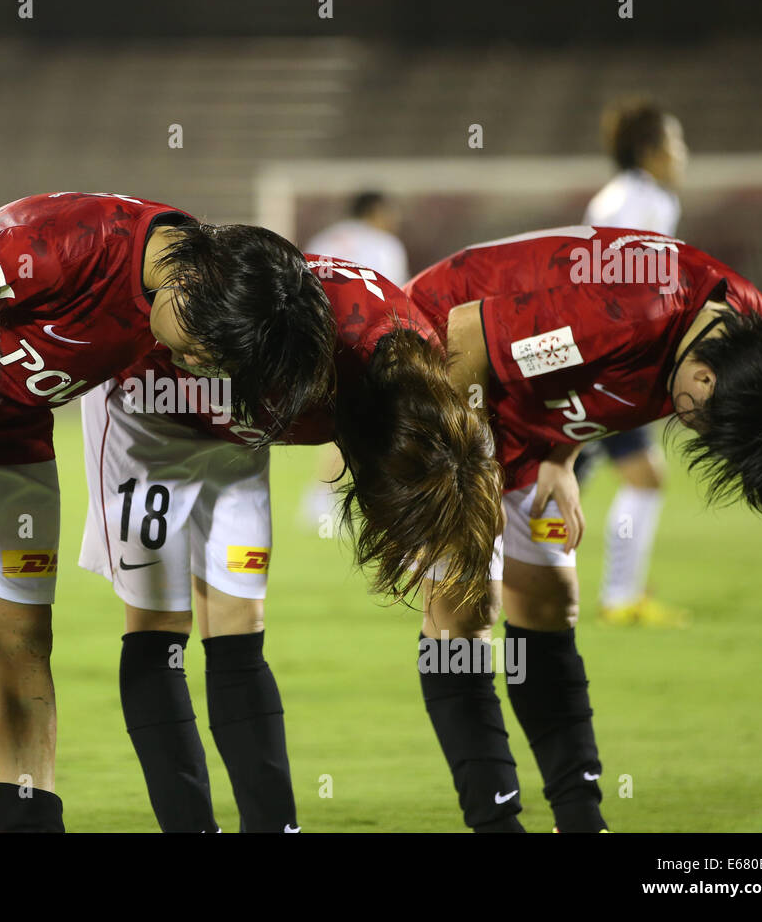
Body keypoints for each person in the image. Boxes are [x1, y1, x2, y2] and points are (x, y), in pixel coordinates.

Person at [0, 192, 338, 832]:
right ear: (189, 288)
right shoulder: (59, 246)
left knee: (23, 641)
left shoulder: (188, 284)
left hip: (16, 449)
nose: (196, 363)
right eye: (202, 346)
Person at [404, 225, 762, 833]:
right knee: (466, 606)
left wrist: (561, 455)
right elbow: (468, 334)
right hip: (438, 366)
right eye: (703, 423)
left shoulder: (752, 338)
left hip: (523, 413)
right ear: (704, 379)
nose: (700, 434)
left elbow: (602, 383)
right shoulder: (629, 313)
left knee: (550, 602)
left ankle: (580, 820)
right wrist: (467, 475)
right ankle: (494, 823)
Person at [78, 253, 500, 831]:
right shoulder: (316, 350)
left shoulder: (411, 391)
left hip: (240, 430)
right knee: (158, 626)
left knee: (239, 624)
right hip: (149, 410)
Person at [580, 98, 691, 626]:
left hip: (594, 354)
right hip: (609, 358)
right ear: (651, 151)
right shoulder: (644, 202)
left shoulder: (619, 198)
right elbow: (624, 286)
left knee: (557, 476)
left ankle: (477, 572)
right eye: (676, 143)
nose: (682, 155)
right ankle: (620, 597)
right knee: (641, 478)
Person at [301, 192, 410, 527]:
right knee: (359, 416)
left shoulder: (326, 237)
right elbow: (393, 295)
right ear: (376, 211)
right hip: (359, 336)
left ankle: (326, 497)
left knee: (341, 416)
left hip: (314, 335)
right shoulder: (384, 244)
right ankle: (326, 498)